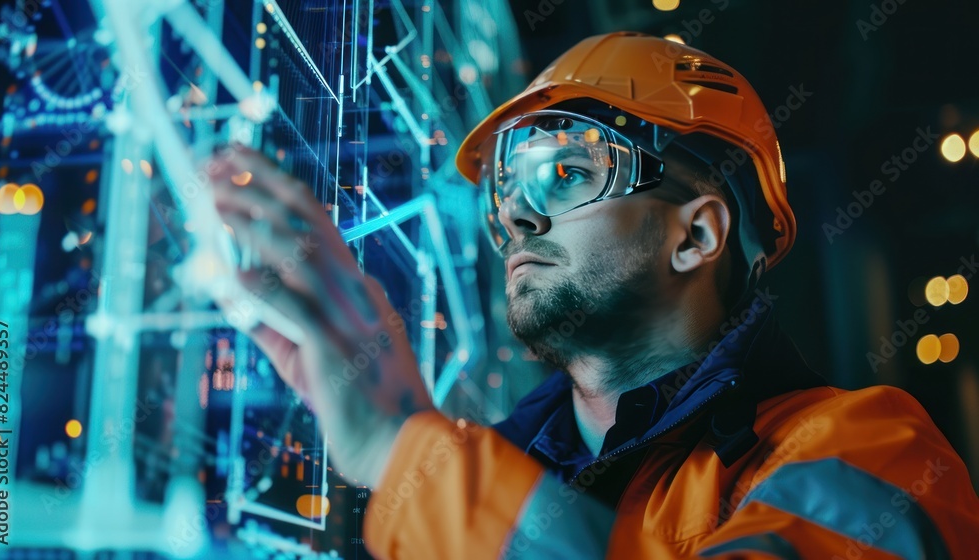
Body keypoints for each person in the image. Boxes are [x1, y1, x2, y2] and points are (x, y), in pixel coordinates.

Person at [207, 32, 979, 559]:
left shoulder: (874, 451)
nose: (515, 217)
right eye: (506, 190)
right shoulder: (487, 481)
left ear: (696, 235)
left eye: (567, 173)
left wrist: (398, 448)